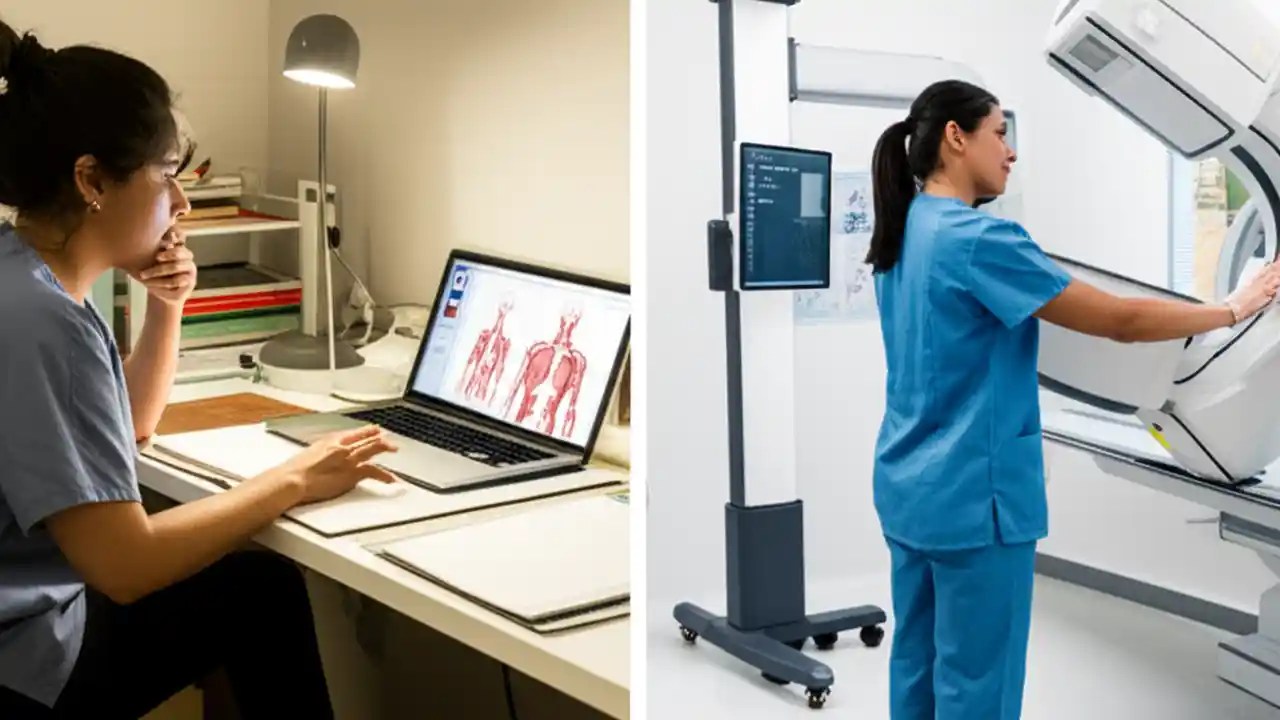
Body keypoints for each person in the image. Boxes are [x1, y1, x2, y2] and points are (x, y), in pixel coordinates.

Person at [0, 23, 399, 718]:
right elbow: (126, 568)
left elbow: (129, 429)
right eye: (167, 177)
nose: (181, 204)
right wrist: (295, 478)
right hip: (21, 662)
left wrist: (168, 306)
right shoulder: (44, 322)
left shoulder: (28, 277)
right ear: (91, 179)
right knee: (259, 592)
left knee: (244, 588)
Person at [866, 78, 1280, 720]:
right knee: (978, 686)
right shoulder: (979, 241)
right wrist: (1232, 307)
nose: (1010, 152)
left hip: (909, 489)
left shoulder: (905, 229)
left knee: (917, 666)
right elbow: (1120, 322)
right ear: (955, 137)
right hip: (978, 502)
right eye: (999, 133)